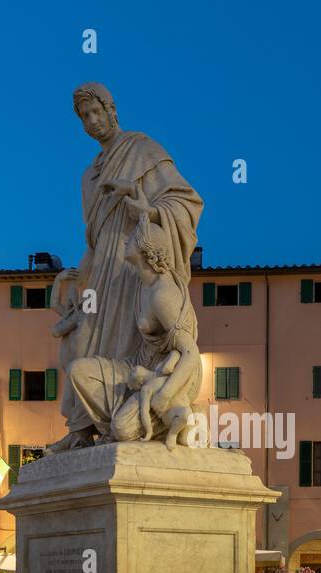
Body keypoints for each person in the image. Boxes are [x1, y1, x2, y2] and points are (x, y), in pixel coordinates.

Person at [46, 83, 203, 453]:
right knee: (78, 340)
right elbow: (93, 240)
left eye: (96, 112)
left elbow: (185, 202)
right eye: (83, 117)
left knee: (129, 346)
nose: (91, 121)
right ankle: (80, 429)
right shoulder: (88, 177)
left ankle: (137, 418)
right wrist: (74, 287)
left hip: (135, 270)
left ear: (112, 109)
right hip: (98, 275)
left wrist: (144, 207)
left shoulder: (142, 150)